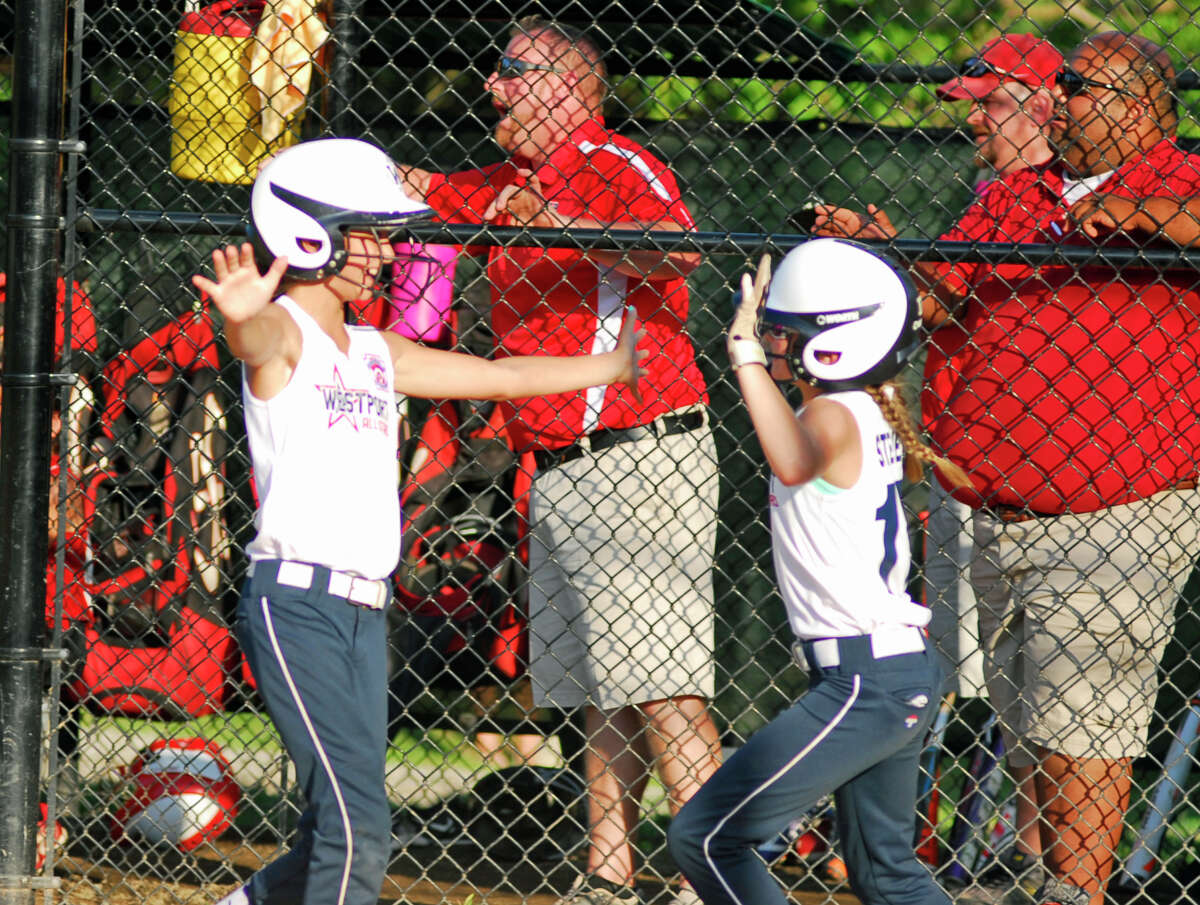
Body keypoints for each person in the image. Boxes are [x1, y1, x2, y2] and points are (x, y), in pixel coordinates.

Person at [197, 136, 646, 905]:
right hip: (296, 607)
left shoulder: (373, 349)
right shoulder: (282, 334)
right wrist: (241, 318)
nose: (386, 252)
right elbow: (255, 340)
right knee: (358, 826)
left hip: (363, 614)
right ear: (313, 233)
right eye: (368, 233)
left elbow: (501, 377)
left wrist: (610, 366)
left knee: (336, 827)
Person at [823, 32, 1200, 905]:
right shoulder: (1019, 198)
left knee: (1089, 717)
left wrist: (1155, 218)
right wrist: (874, 255)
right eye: (1058, 84)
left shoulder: (1180, 178)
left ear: (1142, 106)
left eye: (1080, 86)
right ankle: (1042, 877)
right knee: (1030, 712)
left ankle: (1078, 891)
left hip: (1120, 506)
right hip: (995, 498)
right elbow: (941, 289)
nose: (1059, 100)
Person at [397, 16, 722, 905]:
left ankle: (711, 878)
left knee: (663, 685)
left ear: (568, 85)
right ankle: (608, 874)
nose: (492, 89)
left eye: (510, 72)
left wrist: (568, 223)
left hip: (639, 455)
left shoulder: (614, 164)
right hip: (558, 464)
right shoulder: (505, 182)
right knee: (595, 686)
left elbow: (682, 248)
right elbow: (419, 190)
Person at [668, 238, 972, 905]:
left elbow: (794, 461)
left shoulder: (834, 411)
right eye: (771, 333)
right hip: (881, 671)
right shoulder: (857, 404)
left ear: (833, 342)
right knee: (887, 872)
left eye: (785, 332)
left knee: (707, 835)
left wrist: (743, 358)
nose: (772, 341)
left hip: (868, 680)